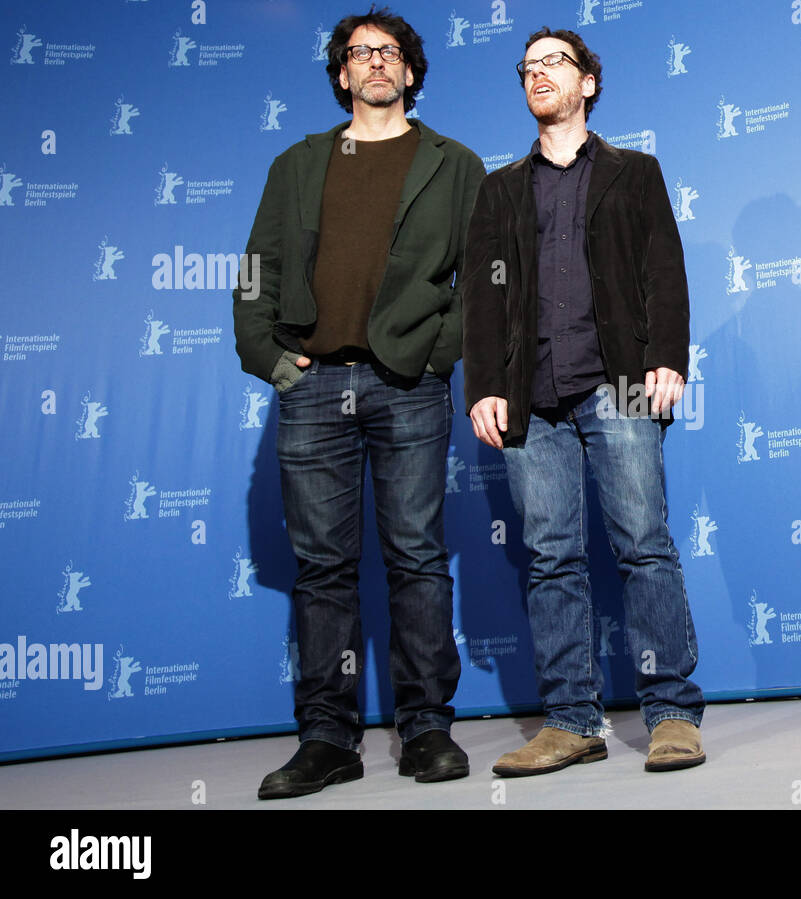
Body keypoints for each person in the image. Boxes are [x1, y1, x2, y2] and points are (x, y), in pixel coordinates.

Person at [232, 6, 485, 799]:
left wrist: (434, 357)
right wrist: (272, 361)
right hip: (312, 388)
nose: (375, 62)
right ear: (342, 74)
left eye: (390, 52)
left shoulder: (456, 164)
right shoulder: (297, 164)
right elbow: (253, 274)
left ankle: (427, 728)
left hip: (409, 384)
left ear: (410, 71)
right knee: (322, 570)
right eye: (359, 53)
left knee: (415, 556)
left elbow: (483, 280)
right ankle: (327, 739)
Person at [461, 27, 705, 776]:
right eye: (527, 67)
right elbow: (481, 297)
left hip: (620, 380)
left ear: (588, 82)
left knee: (644, 543)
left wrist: (665, 358)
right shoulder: (500, 189)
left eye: (553, 63)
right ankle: (570, 720)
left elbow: (663, 269)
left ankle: (670, 712)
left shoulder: (635, 174)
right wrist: (484, 387)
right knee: (551, 558)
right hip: (532, 396)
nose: (538, 75)